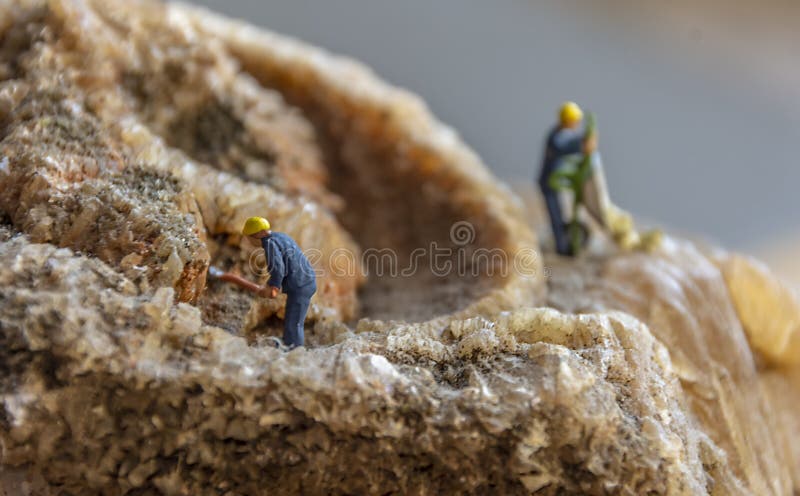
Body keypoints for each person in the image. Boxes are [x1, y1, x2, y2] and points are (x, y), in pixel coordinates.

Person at [242, 217, 316, 348]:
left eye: (249, 238)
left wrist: (273, 286)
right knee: (293, 318)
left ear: (257, 235)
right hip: (306, 280)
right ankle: (290, 344)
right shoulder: (280, 236)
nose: (249, 241)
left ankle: (294, 349)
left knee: (294, 321)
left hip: (301, 285)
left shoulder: (269, 244)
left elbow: (278, 269)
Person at [538, 101, 597, 255]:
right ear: (568, 120)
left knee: (560, 214)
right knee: (556, 217)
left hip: (556, 181)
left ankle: (565, 241)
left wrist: (584, 141)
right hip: (549, 182)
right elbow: (564, 148)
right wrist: (583, 145)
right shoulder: (556, 136)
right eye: (575, 121)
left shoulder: (565, 133)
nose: (577, 124)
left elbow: (573, 142)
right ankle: (561, 247)